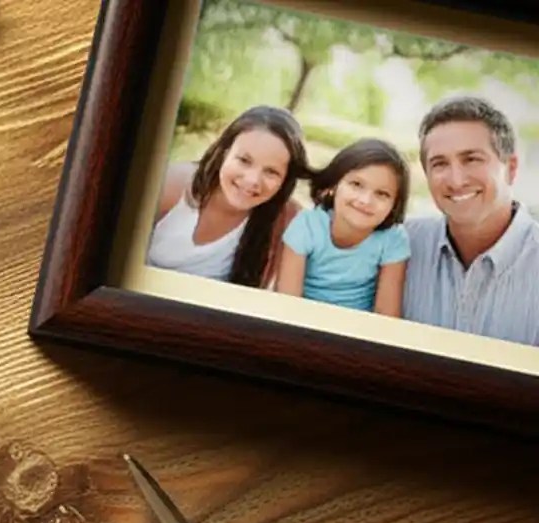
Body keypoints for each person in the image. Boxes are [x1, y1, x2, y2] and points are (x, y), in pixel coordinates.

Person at [402, 95, 539, 345]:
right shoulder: (401, 245)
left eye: (472, 159)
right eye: (439, 164)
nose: (456, 180)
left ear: (511, 168)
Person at [147, 105, 310, 288]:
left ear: (285, 180)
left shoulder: (285, 219)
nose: (252, 180)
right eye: (244, 160)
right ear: (225, 152)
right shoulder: (174, 185)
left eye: (271, 172)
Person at [274, 138, 412, 316]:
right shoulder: (307, 226)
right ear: (334, 185)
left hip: (357, 333)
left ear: (394, 204)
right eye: (356, 184)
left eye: (382, 194)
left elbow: (386, 315)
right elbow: (287, 303)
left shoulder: (393, 239)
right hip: (302, 324)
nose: (365, 200)